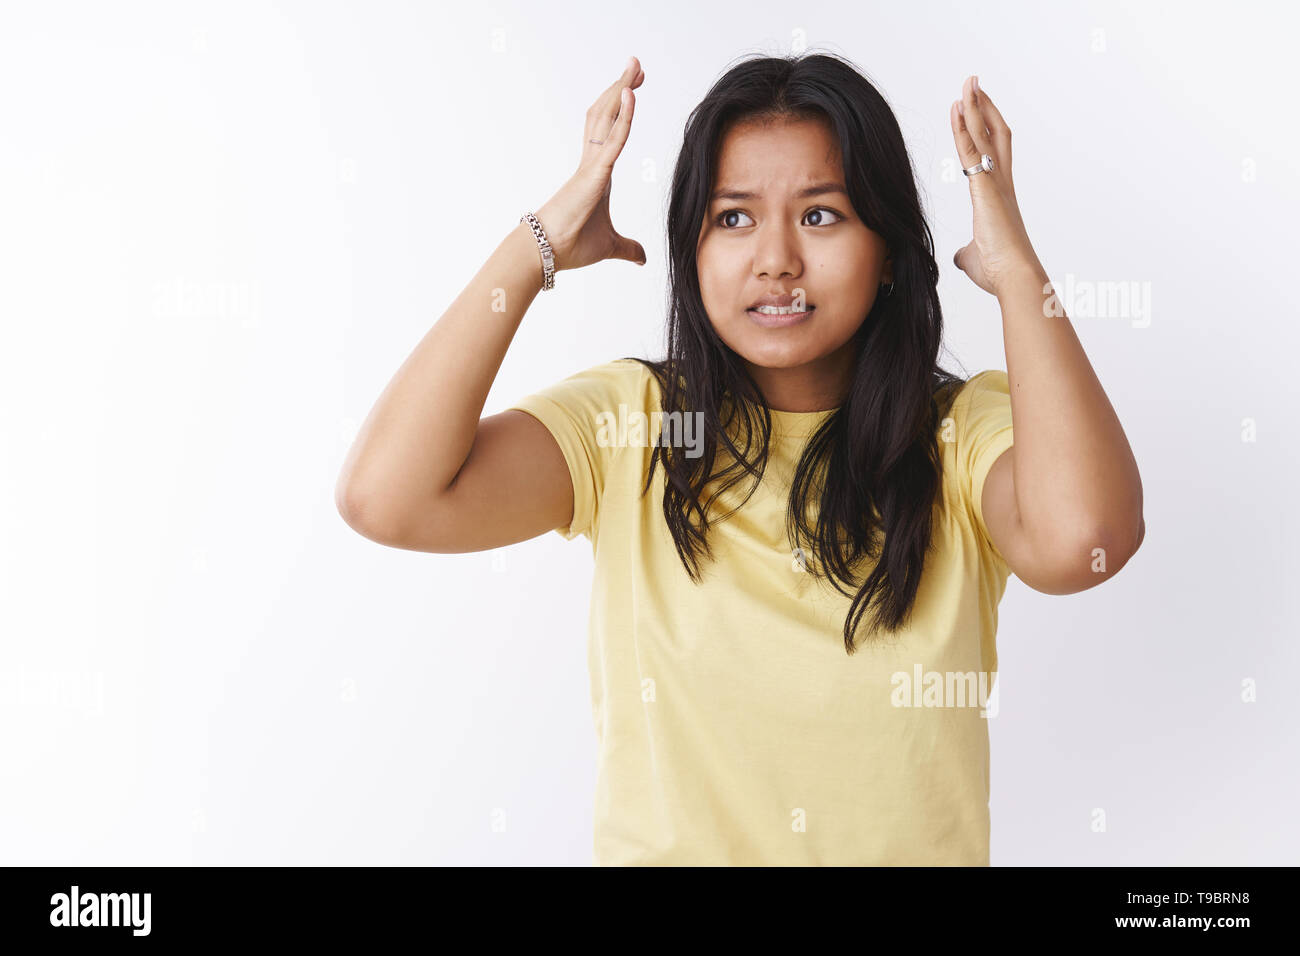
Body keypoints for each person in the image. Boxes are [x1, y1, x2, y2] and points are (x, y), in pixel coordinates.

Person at [335, 52, 1145, 866]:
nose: (776, 260)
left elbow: (1085, 542)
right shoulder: (634, 425)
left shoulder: (960, 433)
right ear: (691, 250)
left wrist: (1016, 273)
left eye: (821, 216)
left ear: (889, 249)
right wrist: (538, 243)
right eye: (733, 218)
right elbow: (386, 498)